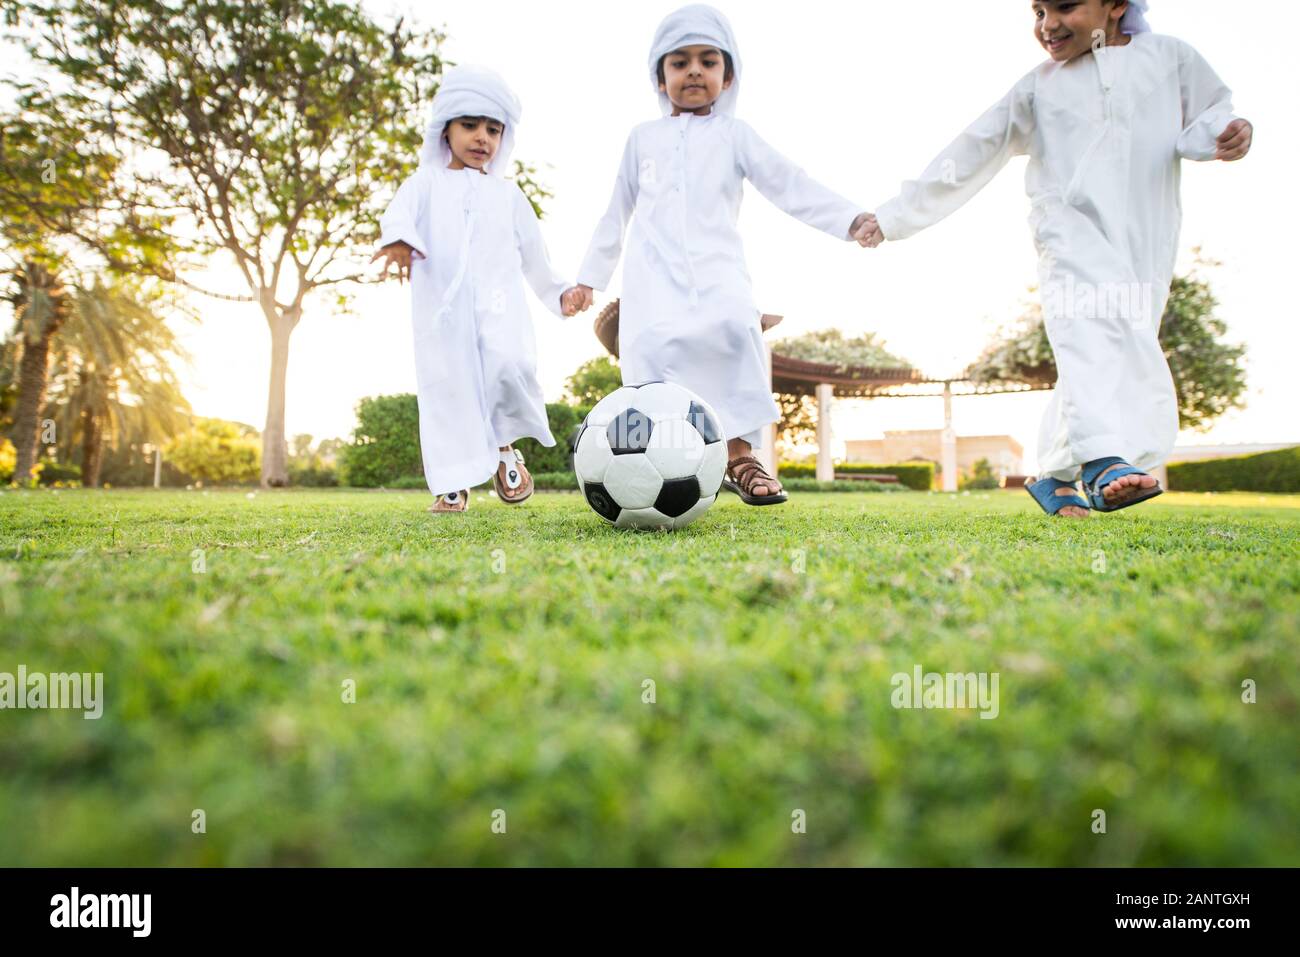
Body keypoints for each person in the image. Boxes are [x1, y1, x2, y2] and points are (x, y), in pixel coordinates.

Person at [859, 0, 1252, 517]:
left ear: (1115, 5)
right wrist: (896, 214)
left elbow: (1207, 114)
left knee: (1112, 343)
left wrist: (1224, 135)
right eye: (1038, 11)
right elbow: (974, 148)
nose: (1048, 25)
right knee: (1088, 328)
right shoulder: (1038, 87)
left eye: (1064, 6)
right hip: (1066, 231)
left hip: (1145, 237)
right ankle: (1102, 458)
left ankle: (1054, 473)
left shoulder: (1170, 58)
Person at [571, 4, 876, 506]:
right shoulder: (641, 138)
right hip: (651, 277)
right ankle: (646, 478)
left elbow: (790, 183)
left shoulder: (736, 135)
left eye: (708, 61)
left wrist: (850, 219)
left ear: (728, 75)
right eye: (680, 61)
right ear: (659, 74)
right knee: (650, 364)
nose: (694, 70)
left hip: (719, 272)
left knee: (738, 335)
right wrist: (588, 279)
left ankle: (741, 457)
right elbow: (614, 213)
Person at [373, 65, 588, 513]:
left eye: (493, 129)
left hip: (501, 308)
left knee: (510, 367)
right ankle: (453, 484)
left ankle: (504, 447)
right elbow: (398, 215)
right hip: (442, 316)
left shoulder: (509, 196)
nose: (481, 138)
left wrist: (561, 292)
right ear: (445, 130)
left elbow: (535, 257)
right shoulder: (424, 183)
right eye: (469, 125)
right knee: (448, 390)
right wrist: (397, 240)